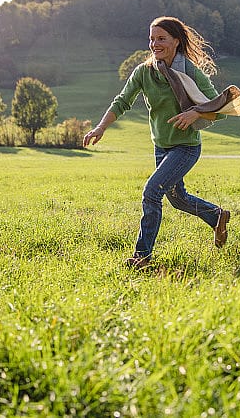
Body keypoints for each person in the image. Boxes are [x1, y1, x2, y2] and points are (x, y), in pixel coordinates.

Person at [83, 16, 231, 268]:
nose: (154, 44)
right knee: (177, 198)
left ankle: (143, 256)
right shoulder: (144, 72)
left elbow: (219, 105)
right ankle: (216, 215)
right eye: (152, 39)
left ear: (176, 41)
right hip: (161, 146)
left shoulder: (190, 72)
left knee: (152, 191)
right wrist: (100, 127)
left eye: (161, 38)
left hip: (186, 147)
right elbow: (122, 101)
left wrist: (195, 112)